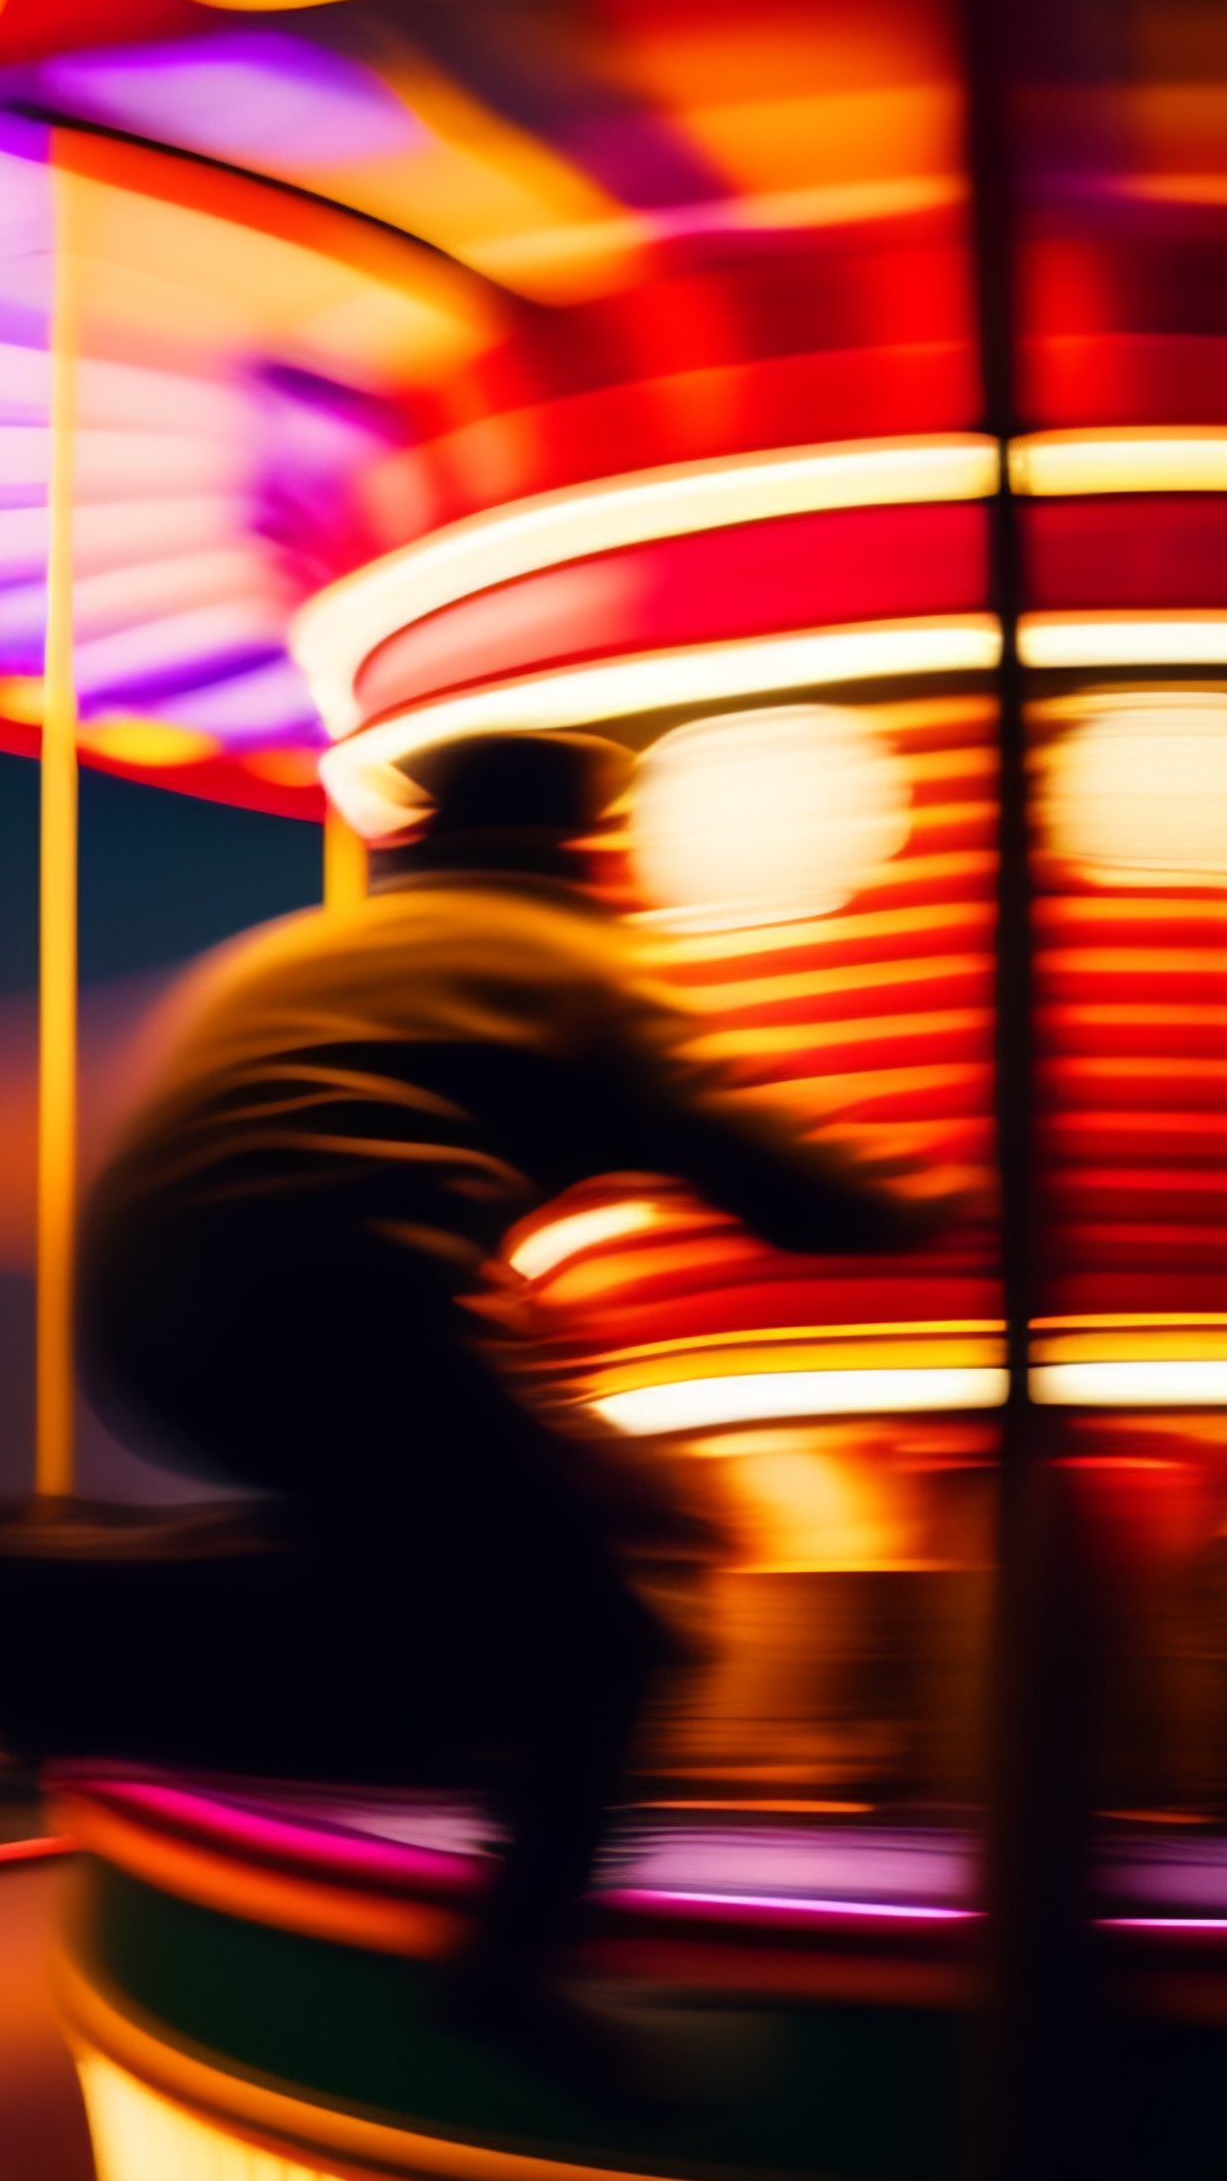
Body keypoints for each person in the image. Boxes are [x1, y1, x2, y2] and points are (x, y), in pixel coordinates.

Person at [74, 729, 960, 2062]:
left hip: (172, 1298)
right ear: (589, 850)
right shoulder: (578, 964)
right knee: (605, 1632)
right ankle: (511, 1971)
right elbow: (785, 1183)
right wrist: (959, 1203)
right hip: (334, 1294)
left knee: (432, 1547)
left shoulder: (305, 948)